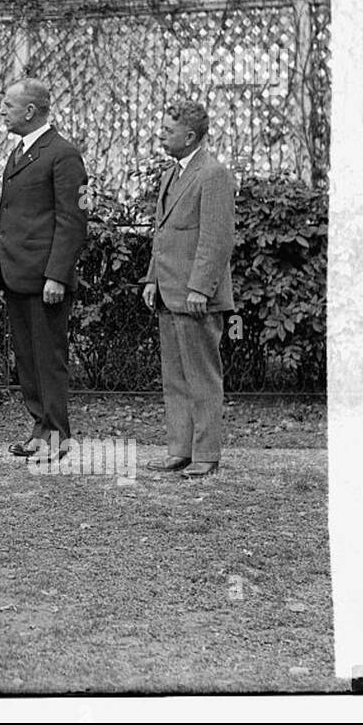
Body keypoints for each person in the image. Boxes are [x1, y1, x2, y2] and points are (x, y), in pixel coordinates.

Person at [0, 78, 88, 465]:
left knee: (48, 358)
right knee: (27, 358)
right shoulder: (19, 153)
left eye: (9, 106)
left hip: (44, 278)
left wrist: (56, 275)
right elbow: (12, 219)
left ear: (30, 111)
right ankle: (39, 427)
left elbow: (72, 221)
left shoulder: (63, 155)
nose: (3, 112)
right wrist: (1, 273)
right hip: (17, 275)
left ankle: (58, 435)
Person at [141, 100, 236, 478]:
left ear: (190, 136)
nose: (161, 134)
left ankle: (206, 454)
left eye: (168, 129)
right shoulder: (171, 174)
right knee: (175, 378)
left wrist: (200, 289)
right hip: (168, 292)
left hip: (196, 297)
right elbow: (164, 234)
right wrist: (152, 279)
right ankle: (179, 449)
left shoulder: (213, 175)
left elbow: (216, 238)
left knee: (202, 376)